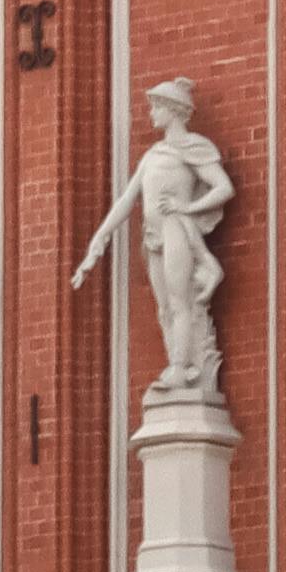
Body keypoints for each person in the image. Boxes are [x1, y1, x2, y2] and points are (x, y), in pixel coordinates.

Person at [70, 76, 233, 401]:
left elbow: (224, 187)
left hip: (176, 230)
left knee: (179, 301)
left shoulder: (194, 147)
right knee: (163, 307)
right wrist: (97, 241)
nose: (151, 113)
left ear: (174, 110)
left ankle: (181, 366)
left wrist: (187, 206)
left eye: (157, 106)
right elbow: (127, 200)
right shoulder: (153, 154)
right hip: (152, 236)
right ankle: (180, 364)